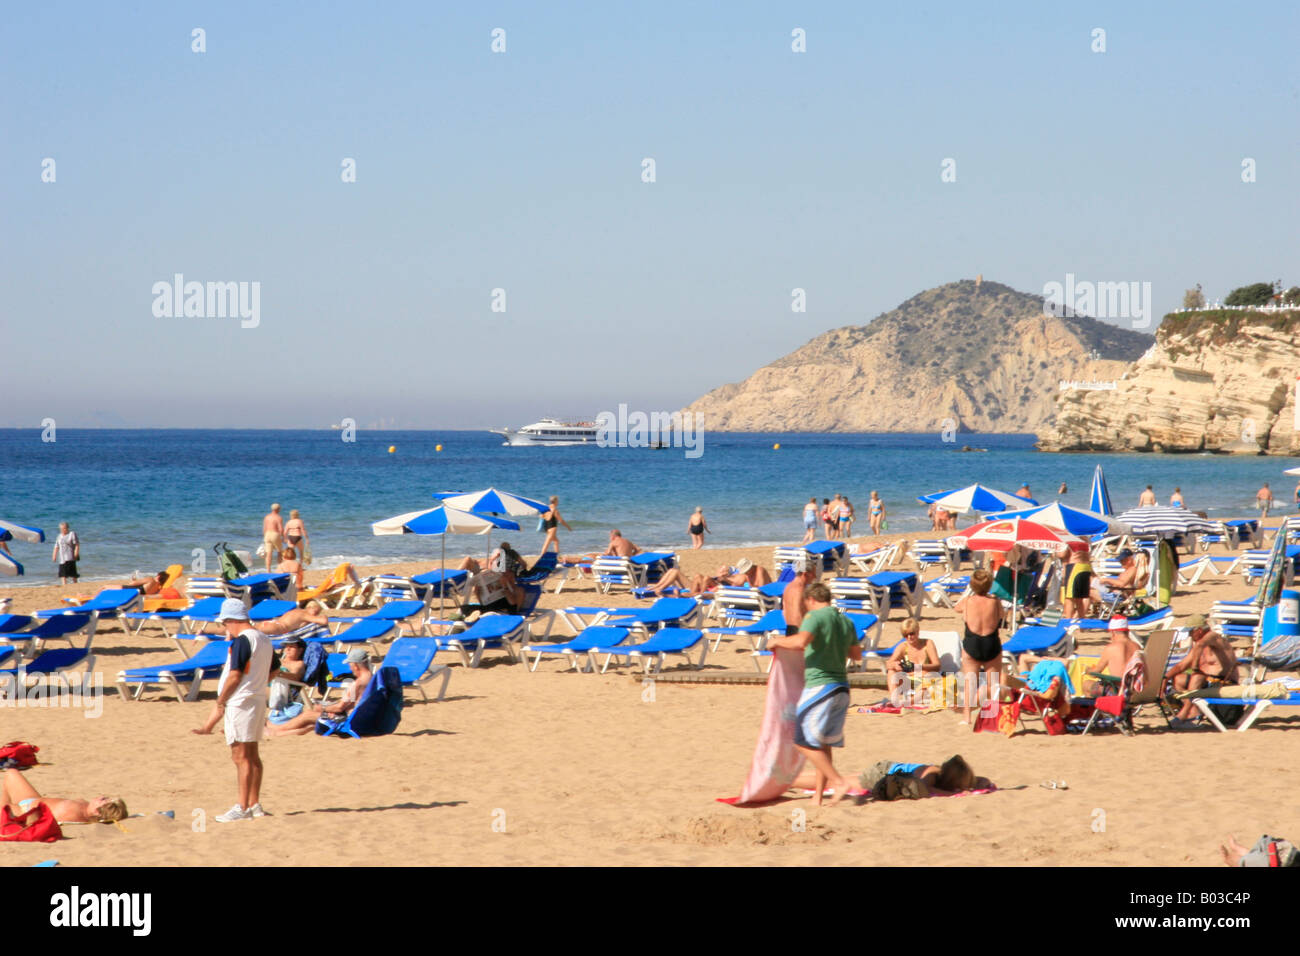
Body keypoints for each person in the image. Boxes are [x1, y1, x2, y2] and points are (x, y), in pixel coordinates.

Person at [192, 598, 328, 822]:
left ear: (231, 620)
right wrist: (256, 683)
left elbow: (235, 675)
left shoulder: (242, 641)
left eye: (226, 623)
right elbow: (274, 671)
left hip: (240, 701)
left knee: (240, 756)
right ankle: (254, 804)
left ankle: (242, 806)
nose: (226, 627)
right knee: (253, 756)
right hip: (255, 700)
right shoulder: (263, 638)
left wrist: (222, 700)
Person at [765, 583, 861, 806]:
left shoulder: (814, 617)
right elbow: (856, 655)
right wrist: (832, 645)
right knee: (823, 744)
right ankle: (817, 797)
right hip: (841, 688)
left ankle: (837, 782)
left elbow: (800, 641)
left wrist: (776, 641)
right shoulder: (846, 621)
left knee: (801, 741)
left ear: (810, 600)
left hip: (821, 686)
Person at [268, 647, 372, 737]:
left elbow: (340, 707)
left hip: (346, 720)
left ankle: (279, 729)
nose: (350, 668)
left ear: (355, 665)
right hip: (361, 718)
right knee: (310, 725)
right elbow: (352, 702)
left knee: (307, 714)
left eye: (350, 664)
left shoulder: (356, 684)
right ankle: (281, 730)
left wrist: (322, 708)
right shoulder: (371, 679)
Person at [1167, 615, 1239, 728]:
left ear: (1199, 630)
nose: (1189, 635)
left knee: (1197, 677)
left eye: (1191, 632)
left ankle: (1185, 715)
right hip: (1207, 684)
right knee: (1178, 679)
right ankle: (1194, 711)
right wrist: (1165, 678)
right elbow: (1181, 665)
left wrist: (1195, 666)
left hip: (1224, 684)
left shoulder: (1215, 638)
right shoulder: (1199, 645)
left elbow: (1201, 645)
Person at [955, 569, 1001, 728]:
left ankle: (966, 717)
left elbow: (956, 608)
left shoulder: (967, 601)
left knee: (969, 683)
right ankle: (993, 716)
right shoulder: (995, 601)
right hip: (991, 642)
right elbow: (1001, 615)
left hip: (972, 642)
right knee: (993, 682)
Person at [2, 768, 127, 825]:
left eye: (103, 800)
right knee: (11, 773)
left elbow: (39, 819)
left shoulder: (73, 811)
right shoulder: (84, 807)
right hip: (31, 800)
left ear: (97, 812)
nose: (102, 796)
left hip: (21, 811)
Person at [844, 754, 993, 800]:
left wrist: (980, 783)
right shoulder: (932, 774)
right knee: (840, 782)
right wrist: (953, 793)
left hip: (888, 768)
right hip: (882, 774)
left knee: (846, 777)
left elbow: (982, 781)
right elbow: (924, 787)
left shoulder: (942, 773)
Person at [1082, 615, 1143, 696]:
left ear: (1113, 633)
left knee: (1087, 684)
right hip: (1134, 691)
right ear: (1127, 632)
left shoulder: (1111, 648)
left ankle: (1101, 708)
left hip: (1116, 691)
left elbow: (1096, 673)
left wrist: (1087, 670)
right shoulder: (1137, 646)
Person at [886, 618, 939, 696]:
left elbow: (937, 665)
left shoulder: (928, 644)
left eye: (911, 633)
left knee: (928, 675)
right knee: (891, 671)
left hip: (926, 678)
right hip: (909, 681)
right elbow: (888, 664)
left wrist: (917, 667)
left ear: (918, 631)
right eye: (905, 635)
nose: (909, 637)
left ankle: (914, 699)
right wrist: (895, 665)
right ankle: (894, 698)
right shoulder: (903, 647)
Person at [267, 635, 308, 712]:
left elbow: (295, 677)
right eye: (286, 646)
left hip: (283, 692)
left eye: (292, 646)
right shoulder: (277, 660)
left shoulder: (298, 664)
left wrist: (278, 673)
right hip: (265, 687)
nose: (288, 649)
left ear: (300, 650)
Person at [780, 555, 816, 635]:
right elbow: (797, 614)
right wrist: (805, 634)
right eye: (813, 573)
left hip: (789, 629)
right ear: (805, 574)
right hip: (798, 630)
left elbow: (784, 612)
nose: (815, 577)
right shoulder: (799, 590)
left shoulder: (788, 587)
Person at [1057, 542, 1092, 619]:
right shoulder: (1084, 539)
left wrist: (1055, 551)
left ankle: (1068, 623)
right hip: (1085, 567)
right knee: (1079, 599)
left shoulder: (1069, 539)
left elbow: (1062, 554)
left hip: (1074, 567)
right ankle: (1081, 625)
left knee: (1069, 599)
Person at [262, 503, 285, 572]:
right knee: (279, 551)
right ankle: (279, 568)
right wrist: (283, 537)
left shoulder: (267, 517)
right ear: (278, 509)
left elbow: (264, 528)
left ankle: (268, 570)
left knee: (269, 553)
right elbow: (280, 529)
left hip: (267, 534)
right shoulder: (278, 517)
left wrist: (264, 536)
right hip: (275, 534)